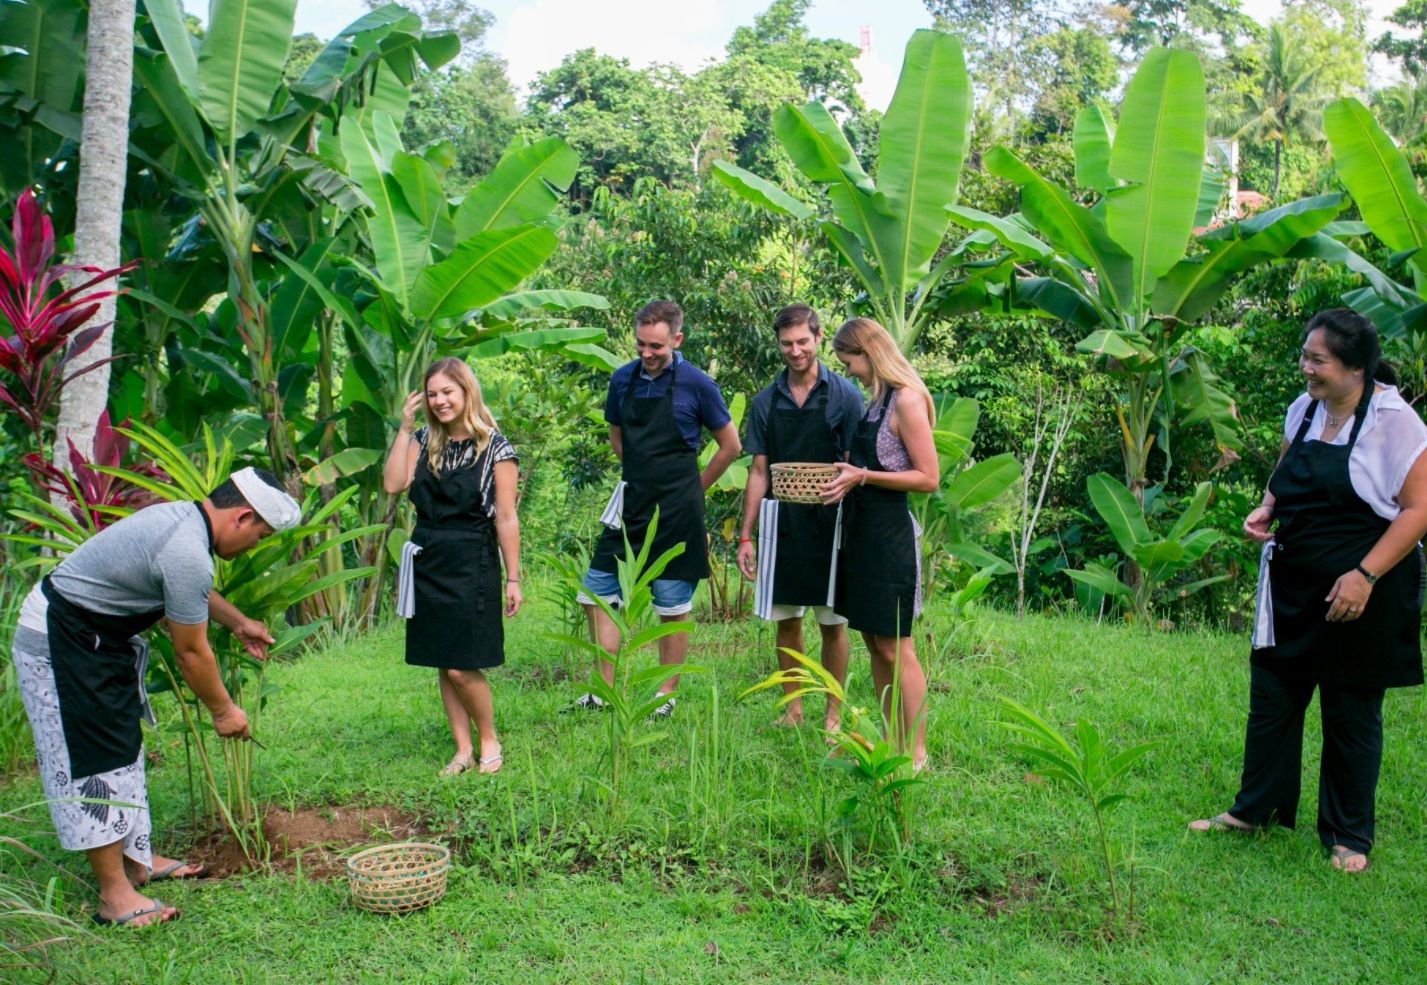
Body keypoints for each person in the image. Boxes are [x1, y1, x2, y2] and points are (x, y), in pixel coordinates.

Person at [1189, 309, 1427, 873]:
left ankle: (1348, 836)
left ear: (1355, 368)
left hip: (1364, 590)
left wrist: (1365, 575)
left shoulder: (1396, 423)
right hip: (1292, 585)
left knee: (1351, 709)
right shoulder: (1304, 410)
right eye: (1305, 357)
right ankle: (1255, 811)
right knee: (1274, 698)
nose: (1306, 369)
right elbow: (1285, 471)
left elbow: (1418, 511)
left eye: (1317, 360)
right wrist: (1267, 508)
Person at [11, 467, 300, 928]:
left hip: (95, 638)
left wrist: (239, 622)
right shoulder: (188, 549)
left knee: (122, 744)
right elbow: (190, 652)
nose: (256, 545)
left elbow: (189, 591)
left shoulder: (186, 522)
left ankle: (135, 863)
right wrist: (224, 711)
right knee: (96, 759)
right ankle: (114, 896)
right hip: (62, 640)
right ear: (242, 517)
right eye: (260, 535)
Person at [572, 300, 741, 718]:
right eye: (641, 345)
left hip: (678, 508)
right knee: (596, 590)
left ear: (677, 340)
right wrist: (639, 474)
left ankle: (664, 694)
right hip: (631, 502)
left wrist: (693, 490)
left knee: (671, 601)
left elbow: (730, 446)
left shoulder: (697, 384)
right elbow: (617, 436)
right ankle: (603, 692)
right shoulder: (622, 380)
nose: (647, 354)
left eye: (657, 347)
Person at [385, 358, 521, 777]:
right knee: (443, 659)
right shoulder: (424, 439)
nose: (440, 400)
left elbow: (506, 517)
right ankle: (462, 750)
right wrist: (405, 429)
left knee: (462, 663)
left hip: (471, 559)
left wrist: (513, 577)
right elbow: (393, 484)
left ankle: (488, 738)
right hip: (428, 554)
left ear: (466, 393)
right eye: (432, 393)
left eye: (448, 392)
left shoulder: (496, 447)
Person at [820, 318, 939, 771]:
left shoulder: (907, 399)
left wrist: (864, 475)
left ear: (868, 352)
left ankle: (918, 750)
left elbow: (928, 477)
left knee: (897, 646)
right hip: (862, 533)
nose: (847, 369)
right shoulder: (878, 400)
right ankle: (893, 742)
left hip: (890, 537)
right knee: (874, 642)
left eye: (848, 359)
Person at [737, 304, 863, 730]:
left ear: (818, 337)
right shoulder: (765, 400)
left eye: (802, 342)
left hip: (832, 522)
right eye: (787, 344)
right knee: (787, 623)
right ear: (778, 344)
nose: (795, 351)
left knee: (833, 624)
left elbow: (852, 465)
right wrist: (745, 535)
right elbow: (758, 471)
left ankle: (832, 713)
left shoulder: (846, 394)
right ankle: (793, 709)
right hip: (781, 523)